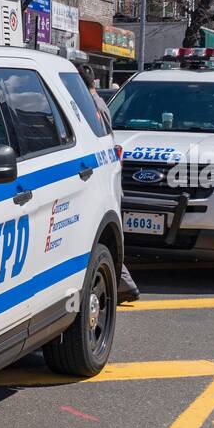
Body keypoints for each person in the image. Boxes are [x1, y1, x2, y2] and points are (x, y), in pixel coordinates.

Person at [78, 64, 139, 304]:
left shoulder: (93, 105)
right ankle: (126, 285)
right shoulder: (99, 103)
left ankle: (125, 285)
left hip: (100, 175)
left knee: (99, 238)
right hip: (107, 171)